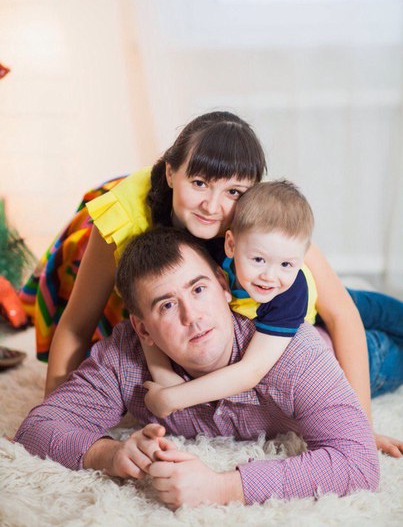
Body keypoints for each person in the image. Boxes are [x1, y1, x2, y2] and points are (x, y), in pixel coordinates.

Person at [18, 111, 403, 455]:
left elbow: (341, 313)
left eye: (233, 192)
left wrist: (362, 428)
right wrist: (61, 412)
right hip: (274, 317)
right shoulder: (129, 219)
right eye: (200, 183)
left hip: (300, 308)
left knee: (382, 317)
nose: (212, 206)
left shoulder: (261, 220)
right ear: (170, 172)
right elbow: (78, 323)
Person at [14, 227, 382, 509]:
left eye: (199, 289)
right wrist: (108, 453)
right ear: (143, 329)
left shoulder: (292, 352)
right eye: (167, 305)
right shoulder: (126, 356)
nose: (193, 317)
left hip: (351, 353)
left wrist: (222, 487)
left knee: (384, 329)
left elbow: (359, 462)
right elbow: (38, 427)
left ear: (223, 285)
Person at [142, 180, 316, 417]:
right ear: (231, 245)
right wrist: (162, 372)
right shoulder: (212, 255)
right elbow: (144, 305)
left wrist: (171, 398)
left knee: (368, 328)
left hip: (313, 314)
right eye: (258, 260)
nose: (269, 276)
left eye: (286, 264)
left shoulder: (290, 292)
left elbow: (251, 372)